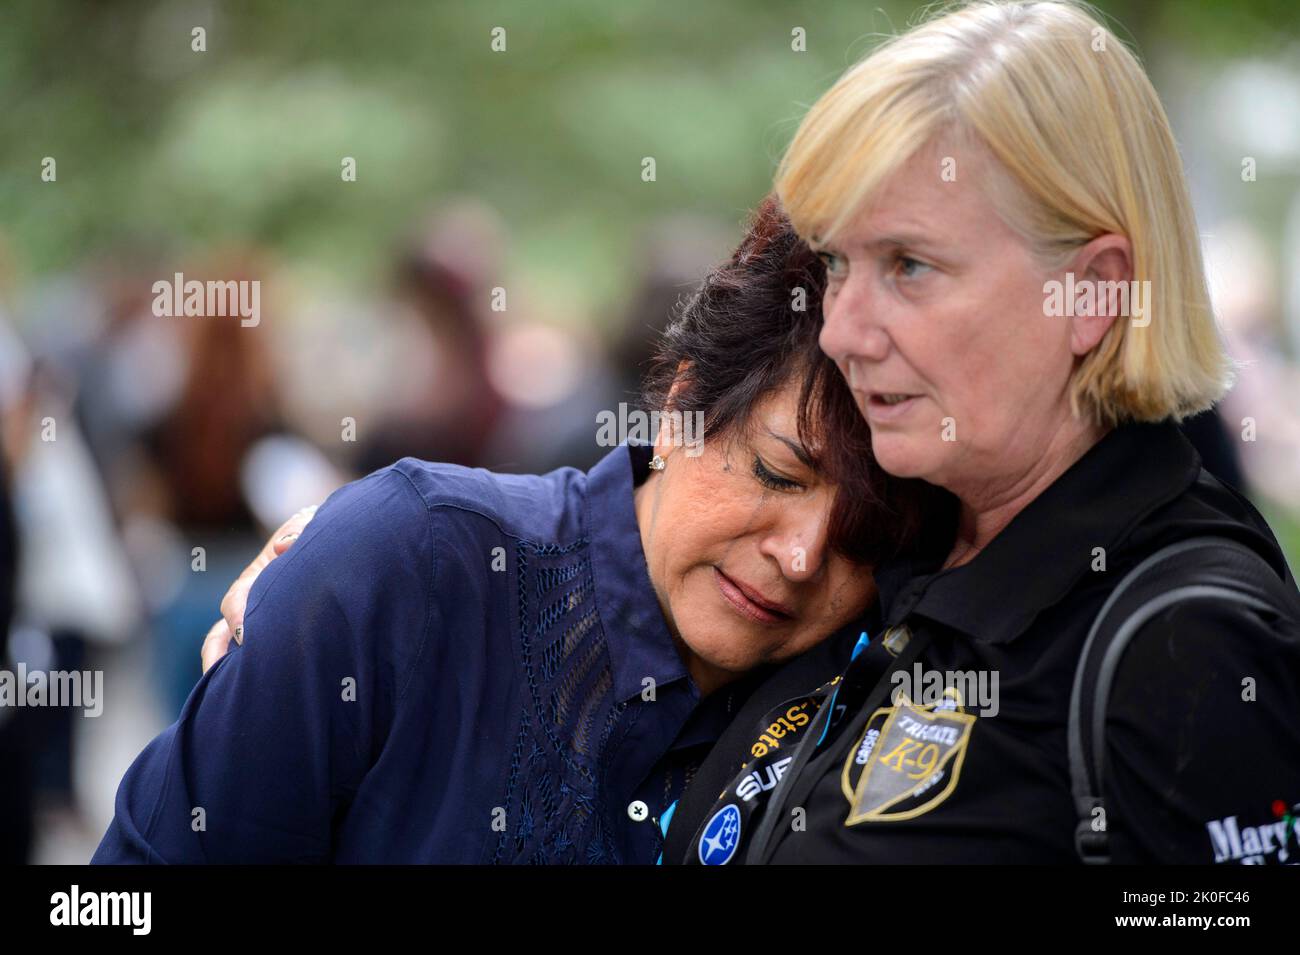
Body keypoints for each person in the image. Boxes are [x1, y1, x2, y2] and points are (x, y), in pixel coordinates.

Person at [92, 196, 933, 864]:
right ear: (682, 407)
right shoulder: (412, 565)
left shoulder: (879, 693)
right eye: (777, 474)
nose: (801, 555)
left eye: (866, 537)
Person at [658, 0, 1300, 866]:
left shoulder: (1182, 639)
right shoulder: (900, 538)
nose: (844, 329)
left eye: (910, 266)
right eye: (841, 263)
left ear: (1093, 292)